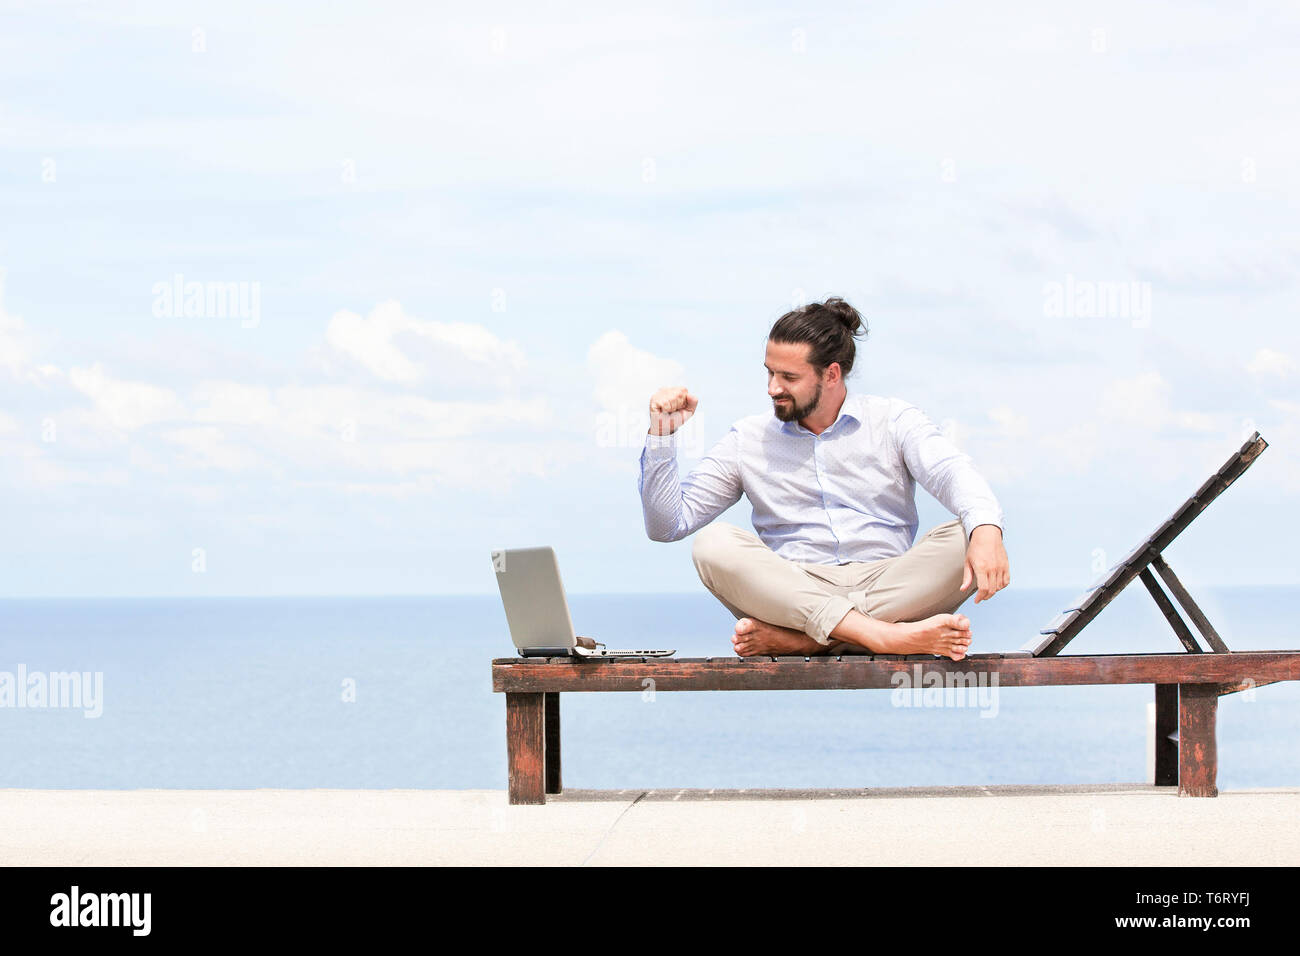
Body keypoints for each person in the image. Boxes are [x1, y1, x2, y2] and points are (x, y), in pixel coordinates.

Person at [637, 297, 1010, 660]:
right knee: (712, 544)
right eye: (769, 372)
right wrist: (662, 436)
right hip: (793, 590)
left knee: (971, 534)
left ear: (831, 374)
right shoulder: (747, 439)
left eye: (788, 377)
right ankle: (880, 636)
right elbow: (667, 526)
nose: (772, 388)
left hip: (888, 585)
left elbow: (951, 472)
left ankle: (811, 641)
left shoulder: (893, 420)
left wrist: (987, 530)